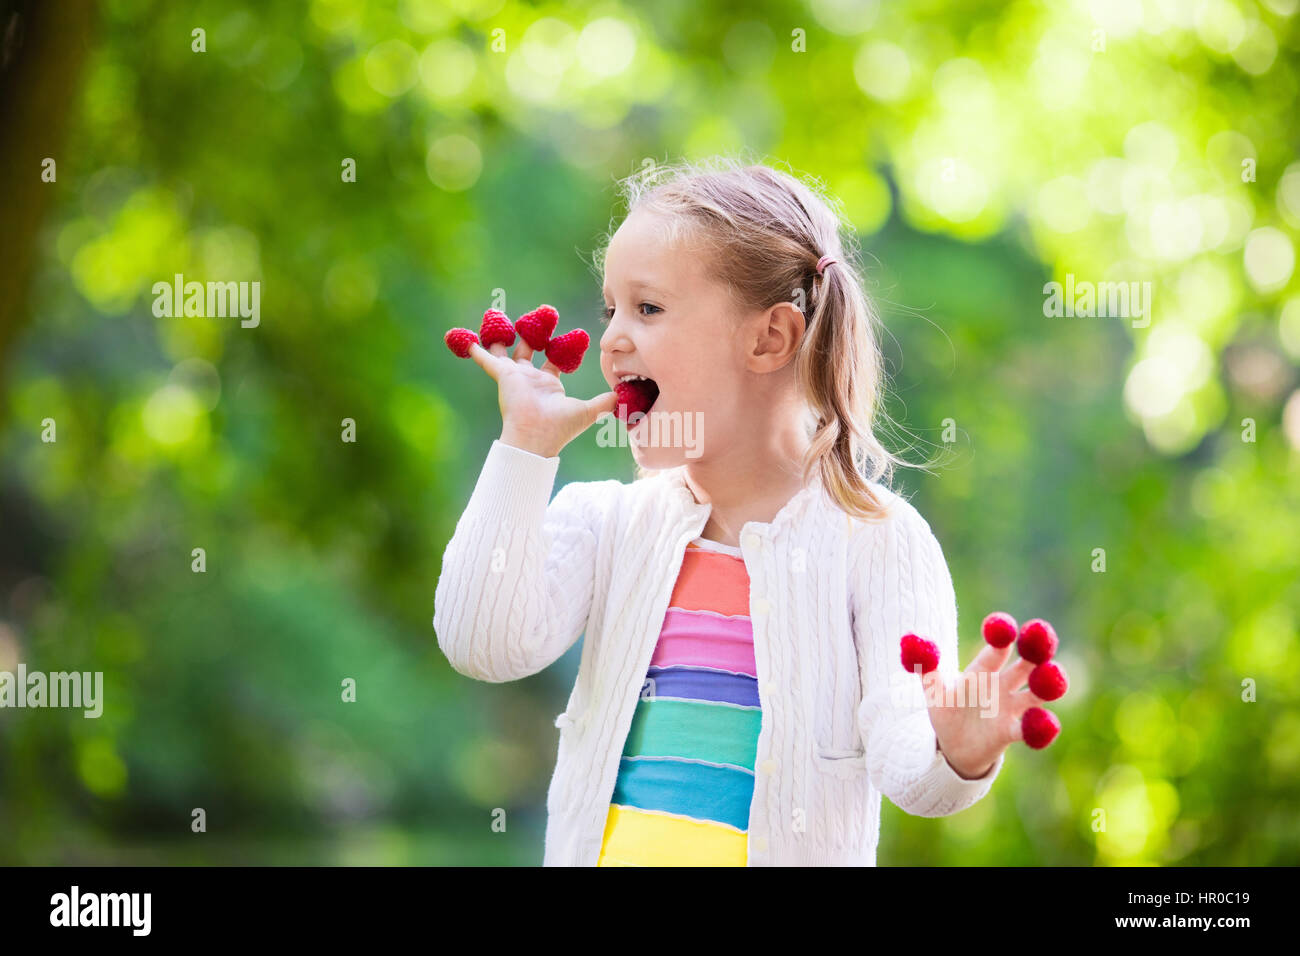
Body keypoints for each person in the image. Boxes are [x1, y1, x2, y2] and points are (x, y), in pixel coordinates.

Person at [434, 157, 1035, 866]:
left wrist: (956, 753)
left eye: (648, 308)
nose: (613, 339)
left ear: (769, 338)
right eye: (610, 309)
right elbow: (481, 642)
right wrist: (523, 449)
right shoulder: (608, 524)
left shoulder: (880, 543)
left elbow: (911, 770)